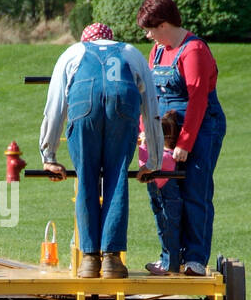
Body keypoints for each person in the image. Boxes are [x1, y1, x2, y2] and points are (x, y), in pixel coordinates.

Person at [40, 22, 164, 279]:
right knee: (117, 178)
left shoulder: (73, 53)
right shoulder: (130, 53)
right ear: (111, 39)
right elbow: (151, 106)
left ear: (87, 39)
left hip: (84, 109)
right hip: (123, 107)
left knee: (87, 178)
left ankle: (88, 259)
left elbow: (55, 106)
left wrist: (49, 156)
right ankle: (112, 260)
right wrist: (153, 159)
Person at [136, 0, 225, 276]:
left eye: (150, 29)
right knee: (162, 189)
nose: (148, 35)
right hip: (164, 131)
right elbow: (149, 95)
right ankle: (169, 257)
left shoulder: (194, 50)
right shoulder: (158, 52)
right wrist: (144, 132)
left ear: (164, 24)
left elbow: (198, 99)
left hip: (201, 129)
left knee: (195, 191)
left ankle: (195, 260)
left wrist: (185, 142)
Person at [140, 110, 183, 275]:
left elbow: (144, 164)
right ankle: (166, 260)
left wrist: (143, 145)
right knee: (163, 227)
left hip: (167, 199)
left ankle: (169, 264)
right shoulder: (165, 154)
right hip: (160, 197)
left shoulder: (165, 157)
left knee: (167, 227)